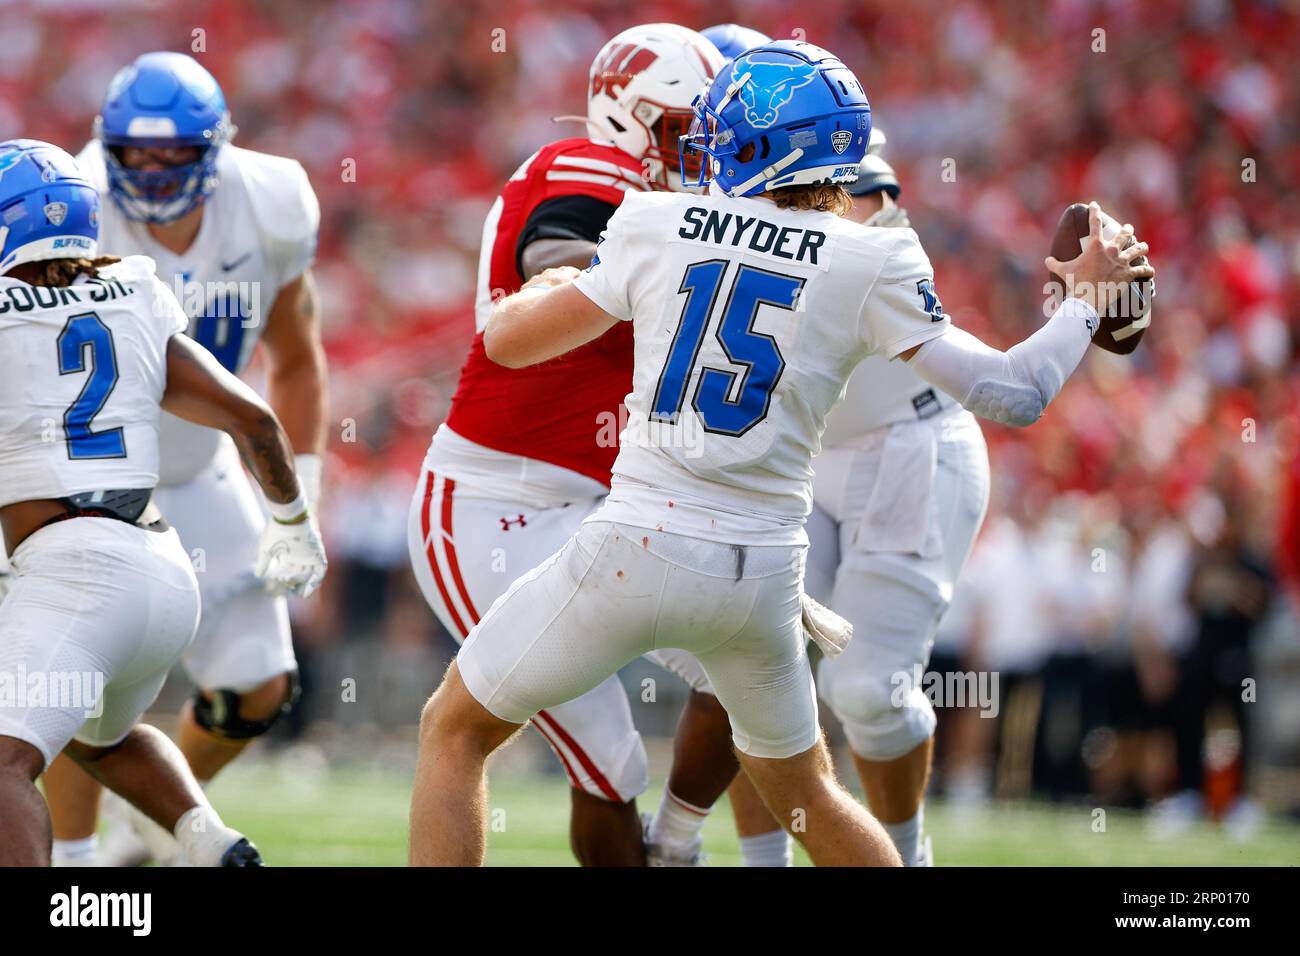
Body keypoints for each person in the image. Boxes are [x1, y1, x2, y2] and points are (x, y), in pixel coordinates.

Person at [408, 39, 1153, 866]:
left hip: (634, 548)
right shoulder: (873, 257)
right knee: (810, 798)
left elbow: (507, 344)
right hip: (764, 579)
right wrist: (1085, 305)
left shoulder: (656, 221)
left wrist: (550, 289)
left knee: (455, 727)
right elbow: (1015, 393)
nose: (706, 144)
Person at [406, 22, 723, 866]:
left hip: (602, 505)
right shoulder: (594, 165)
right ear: (625, 115)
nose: (698, 154)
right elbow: (561, 254)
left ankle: (678, 846)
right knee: (607, 758)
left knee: (757, 666)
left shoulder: (672, 201)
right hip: (491, 504)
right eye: (682, 132)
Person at [0, 139, 326, 866]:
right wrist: (294, 526)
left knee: (5, 763)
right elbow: (256, 421)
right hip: (163, 570)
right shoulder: (135, 291)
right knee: (100, 739)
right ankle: (213, 843)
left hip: (72, 569)